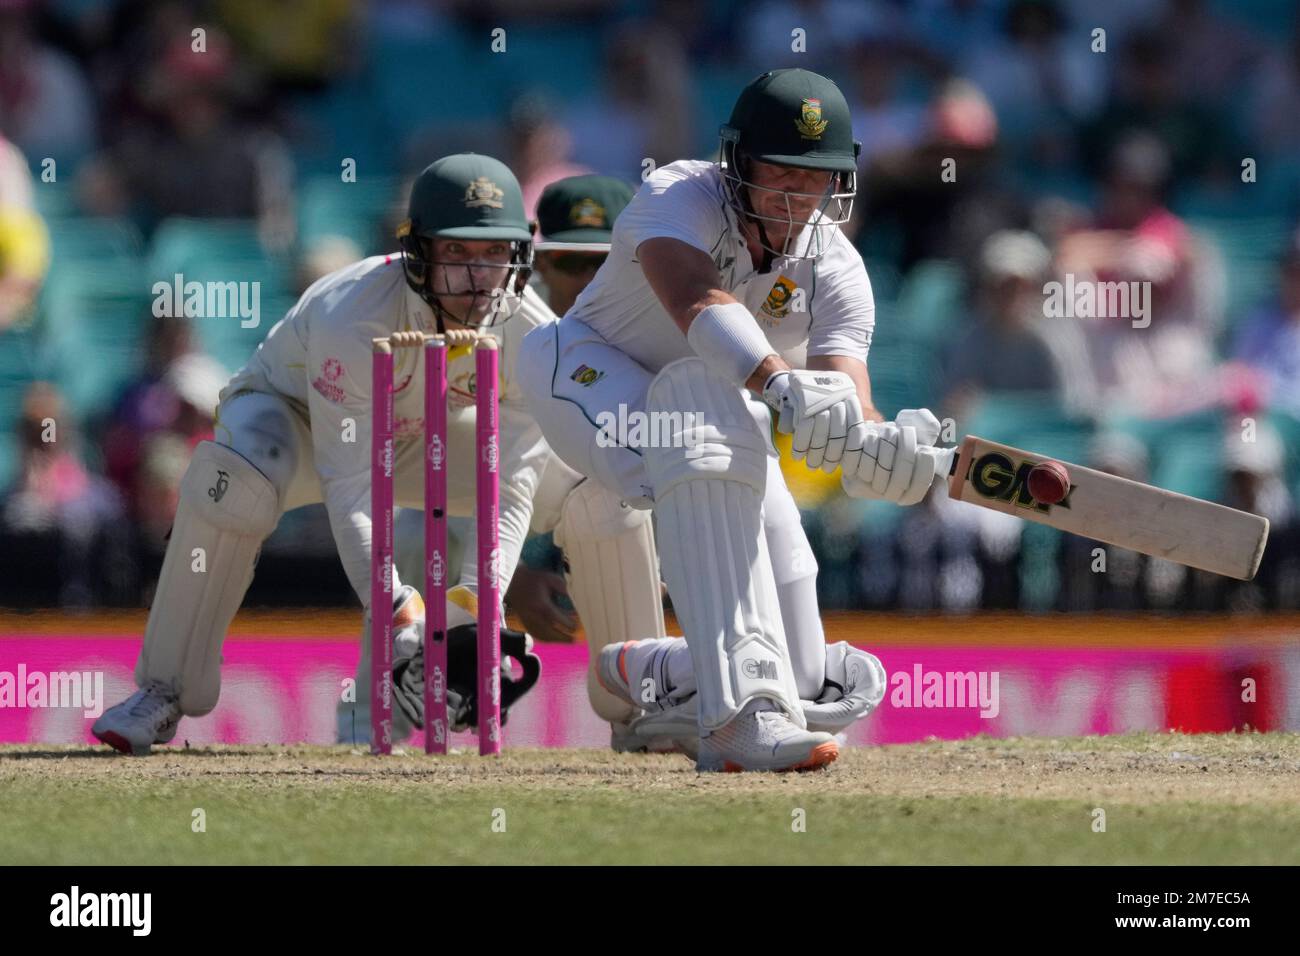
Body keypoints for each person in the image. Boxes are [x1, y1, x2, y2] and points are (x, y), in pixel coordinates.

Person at [516, 69, 923, 771]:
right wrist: (779, 380)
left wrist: (885, 448)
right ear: (737, 163)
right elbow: (696, 303)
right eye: (780, 172)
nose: (798, 195)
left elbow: (844, 394)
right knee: (703, 402)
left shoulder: (839, 267)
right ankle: (737, 717)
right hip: (581, 370)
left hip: (717, 415)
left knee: (808, 681)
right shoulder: (679, 191)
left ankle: (654, 672)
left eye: (816, 177)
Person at [92, 154, 551, 754]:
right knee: (234, 482)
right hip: (299, 424)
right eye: (459, 254)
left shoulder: (530, 332)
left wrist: (473, 607)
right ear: (419, 255)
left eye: (494, 254)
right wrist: (402, 615)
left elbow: (510, 485)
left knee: (577, 486)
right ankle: (163, 690)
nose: (479, 278)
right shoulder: (353, 314)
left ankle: (645, 702)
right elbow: (354, 486)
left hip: (422, 437)